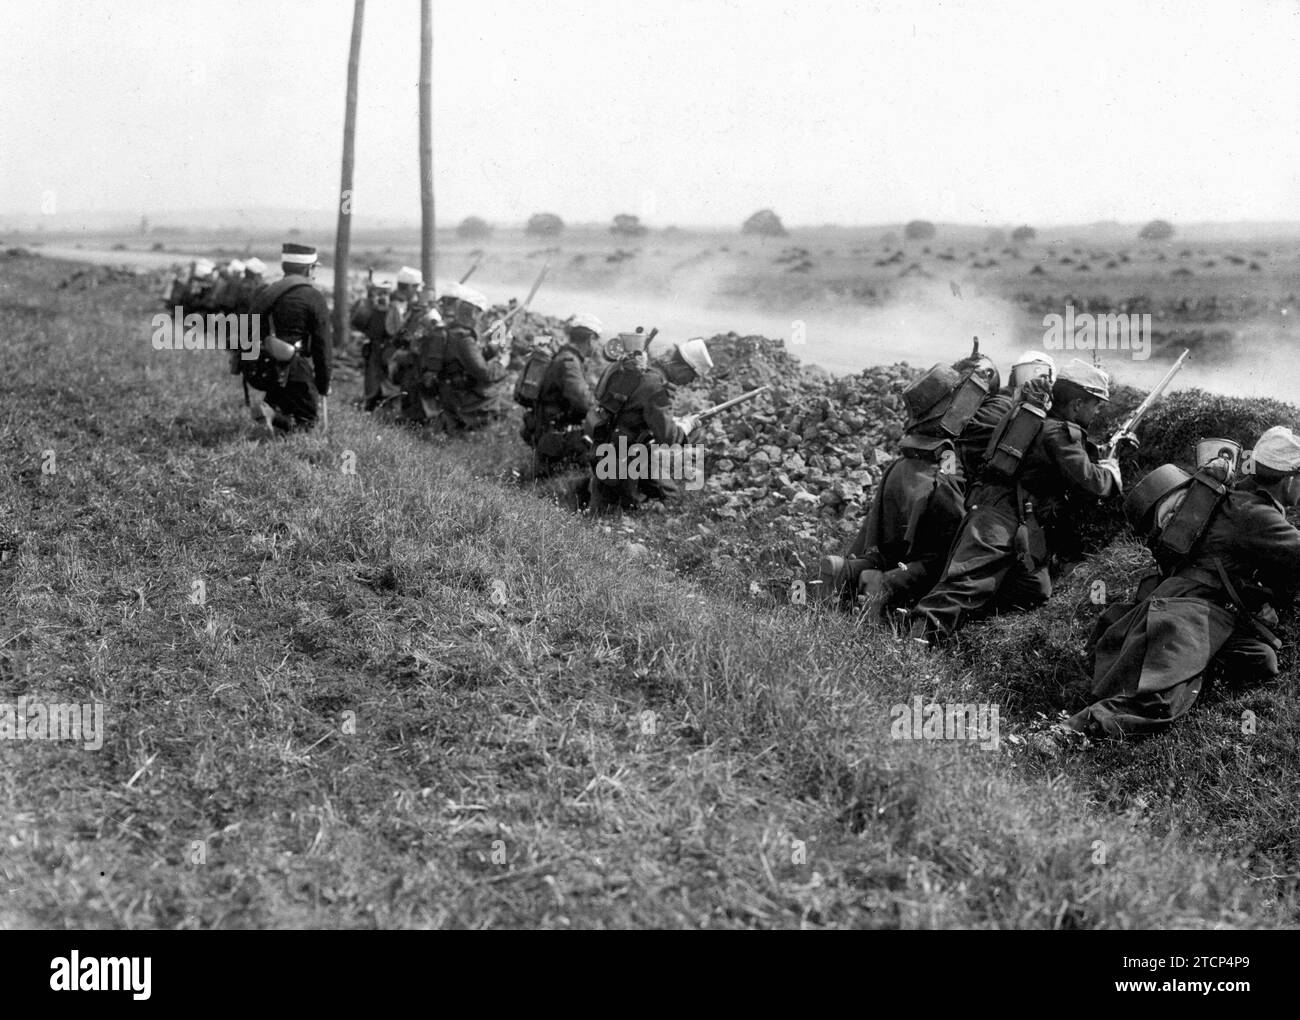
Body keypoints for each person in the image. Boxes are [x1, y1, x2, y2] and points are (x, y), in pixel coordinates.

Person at [1037, 428, 1300, 749]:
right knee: (1160, 705)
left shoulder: (1236, 500)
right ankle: (1064, 735)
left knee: (1261, 659)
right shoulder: (1258, 516)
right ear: (1289, 480)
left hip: (1186, 603)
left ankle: (1191, 669)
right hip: (1188, 615)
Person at [907, 358, 1126, 644]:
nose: (1096, 412)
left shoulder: (1034, 420)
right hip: (1000, 519)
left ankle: (960, 634)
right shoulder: (1059, 433)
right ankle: (913, 643)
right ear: (1076, 405)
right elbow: (1093, 483)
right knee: (965, 585)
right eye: (1094, 404)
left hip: (1002, 513)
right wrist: (1112, 471)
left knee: (1035, 588)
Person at [817, 349, 1010, 616]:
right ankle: (882, 587)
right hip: (939, 477)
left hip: (903, 471)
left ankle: (849, 570)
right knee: (943, 556)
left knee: (897, 549)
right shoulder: (995, 407)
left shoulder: (942, 399)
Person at [585, 334, 712, 514]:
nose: (690, 381)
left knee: (602, 507)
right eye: (692, 376)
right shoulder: (657, 387)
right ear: (682, 368)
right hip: (623, 459)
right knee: (663, 502)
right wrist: (686, 427)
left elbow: (635, 413)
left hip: (606, 449)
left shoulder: (646, 372)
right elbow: (668, 437)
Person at [245, 241, 332, 433]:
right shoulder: (312, 296)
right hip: (294, 368)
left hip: (261, 367)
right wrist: (324, 383)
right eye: (314, 268)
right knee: (308, 423)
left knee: (284, 403)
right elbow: (322, 345)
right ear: (308, 269)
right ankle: (272, 416)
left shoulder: (266, 291)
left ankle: (270, 412)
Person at [419, 283, 508, 432]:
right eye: (479, 314)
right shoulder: (463, 338)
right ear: (473, 313)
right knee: (501, 402)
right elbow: (483, 373)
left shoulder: (450, 331)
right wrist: (502, 364)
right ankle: (476, 434)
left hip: (447, 393)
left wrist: (492, 349)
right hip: (461, 397)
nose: (480, 319)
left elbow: (464, 360)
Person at [524, 313, 603, 476]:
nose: (597, 346)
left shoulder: (564, 356)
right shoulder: (569, 363)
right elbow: (583, 403)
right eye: (597, 340)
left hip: (546, 429)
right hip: (555, 436)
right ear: (590, 339)